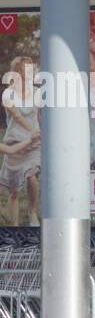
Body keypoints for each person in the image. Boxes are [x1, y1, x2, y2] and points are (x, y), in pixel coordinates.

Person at [1, 56, 42, 227]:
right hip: (14, 143)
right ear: (17, 72)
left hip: (34, 144)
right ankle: (14, 226)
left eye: (32, 68)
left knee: (31, 176)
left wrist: (39, 131)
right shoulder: (7, 94)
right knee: (13, 192)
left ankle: (33, 212)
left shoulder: (37, 92)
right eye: (27, 69)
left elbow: (39, 114)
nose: (32, 72)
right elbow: (17, 117)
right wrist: (32, 131)